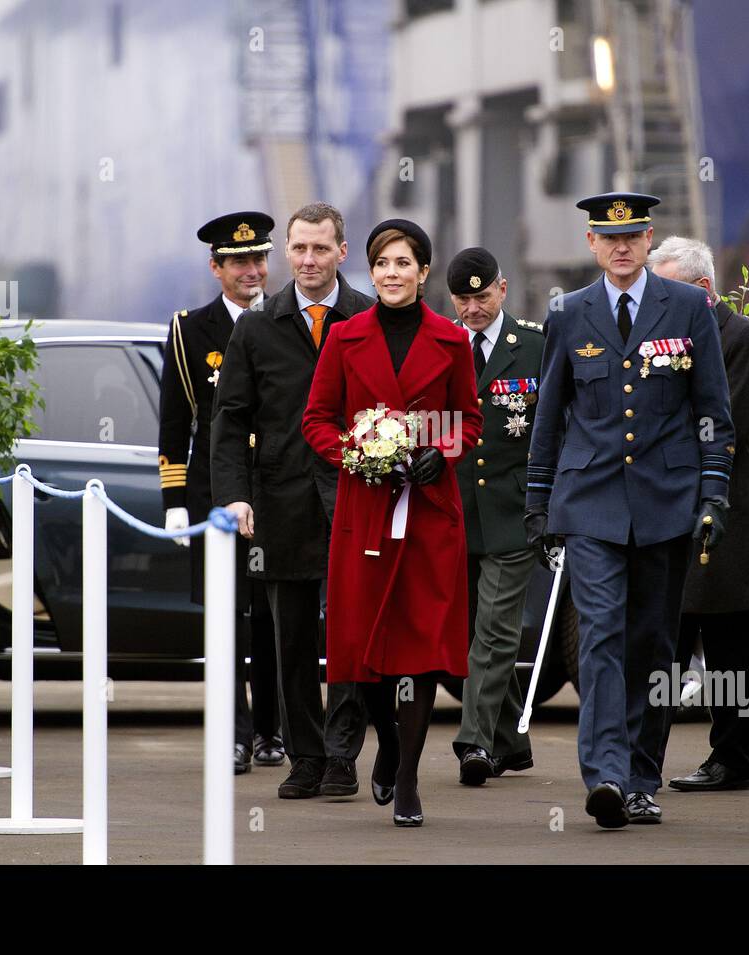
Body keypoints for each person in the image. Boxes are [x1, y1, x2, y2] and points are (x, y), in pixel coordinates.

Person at [524, 193, 735, 829]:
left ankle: (643, 774)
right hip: (590, 503)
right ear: (591, 243)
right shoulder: (569, 313)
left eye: (634, 235)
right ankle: (608, 776)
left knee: (653, 642)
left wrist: (714, 493)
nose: (621, 246)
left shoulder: (691, 308)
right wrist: (537, 500)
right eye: (608, 236)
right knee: (601, 636)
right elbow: (549, 413)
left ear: (649, 241)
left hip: (665, 504)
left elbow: (712, 410)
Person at [301, 218, 483, 826]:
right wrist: (355, 453)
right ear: (370, 271)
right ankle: (384, 739)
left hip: (431, 516)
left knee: (423, 649)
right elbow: (317, 420)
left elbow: (470, 420)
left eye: (403, 263)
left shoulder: (451, 340)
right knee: (363, 647)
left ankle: (407, 776)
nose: (391, 274)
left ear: (424, 272)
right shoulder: (346, 338)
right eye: (382, 264)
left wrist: (444, 449)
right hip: (368, 511)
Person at [211, 201, 395, 800]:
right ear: (286, 253)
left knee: (352, 632)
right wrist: (236, 497)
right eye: (299, 249)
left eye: (321, 248)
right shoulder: (257, 327)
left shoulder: (368, 318)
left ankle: (343, 755)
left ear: (343, 252)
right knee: (290, 637)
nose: (309, 260)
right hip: (281, 501)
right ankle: (305, 756)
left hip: (357, 497)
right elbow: (230, 422)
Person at [645, 236, 749, 794]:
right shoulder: (663, 334)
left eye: (668, 287)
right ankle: (642, 758)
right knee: (662, 649)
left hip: (724, 517)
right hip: (667, 513)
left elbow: (725, 424)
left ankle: (732, 760)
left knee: (730, 652)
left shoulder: (743, 339)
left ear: (702, 289)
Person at [157, 210, 280, 775]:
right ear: (216, 268)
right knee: (226, 619)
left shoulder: (290, 319)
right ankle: (234, 732)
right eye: (238, 262)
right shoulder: (189, 329)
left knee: (274, 616)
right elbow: (175, 422)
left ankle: (273, 732)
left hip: (278, 490)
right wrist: (175, 501)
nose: (251, 270)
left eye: (258, 258)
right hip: (214, 494)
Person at [445, 247, 546, 785]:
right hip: (454, 514)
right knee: (465, 635)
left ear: (503, 290)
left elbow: (553, 428)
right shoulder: (441, 345)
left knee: (496, 632)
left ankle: (475, 742)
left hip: (513, 514)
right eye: (463, 298)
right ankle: (511, 741)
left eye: (483, 297)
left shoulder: (534, 346)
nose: (473, 308)